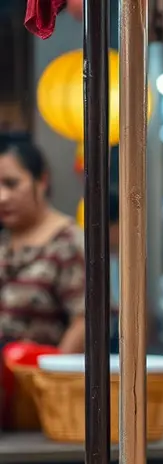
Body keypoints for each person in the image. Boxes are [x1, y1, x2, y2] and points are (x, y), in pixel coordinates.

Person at [0, 138, 85, 352]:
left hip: (42, 379)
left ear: (42, 180)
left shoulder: (68, 241)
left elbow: (85, 321)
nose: (2, 197)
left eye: (12, 183)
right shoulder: (4, 241)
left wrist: (51, 379)